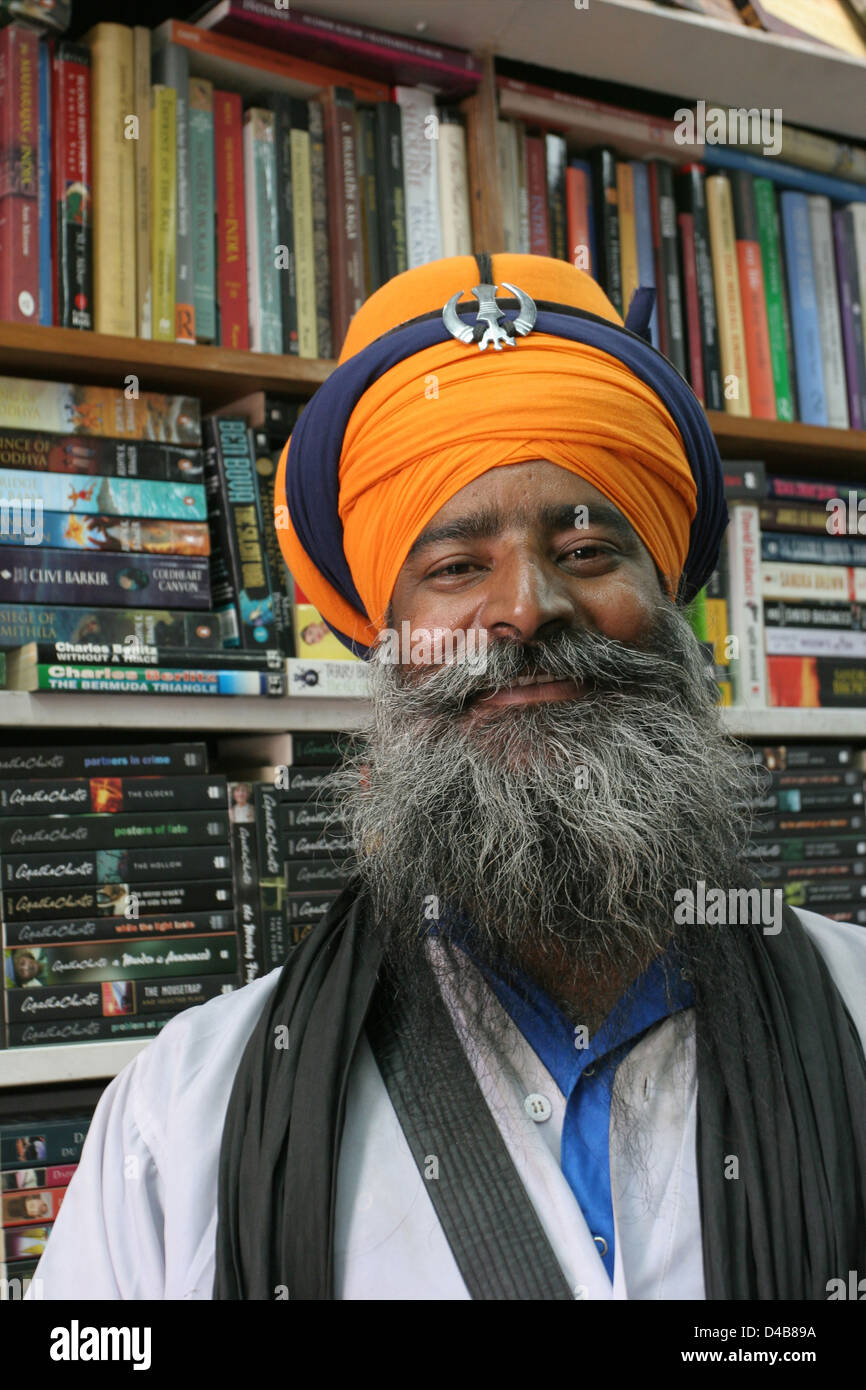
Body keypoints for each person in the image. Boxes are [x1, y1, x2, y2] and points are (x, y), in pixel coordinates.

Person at [31, 254, 866, 1301]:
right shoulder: (184, 1118)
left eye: (589, 548)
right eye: (455, 567)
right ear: (387, 645)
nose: (525, 607)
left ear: (674, 614)